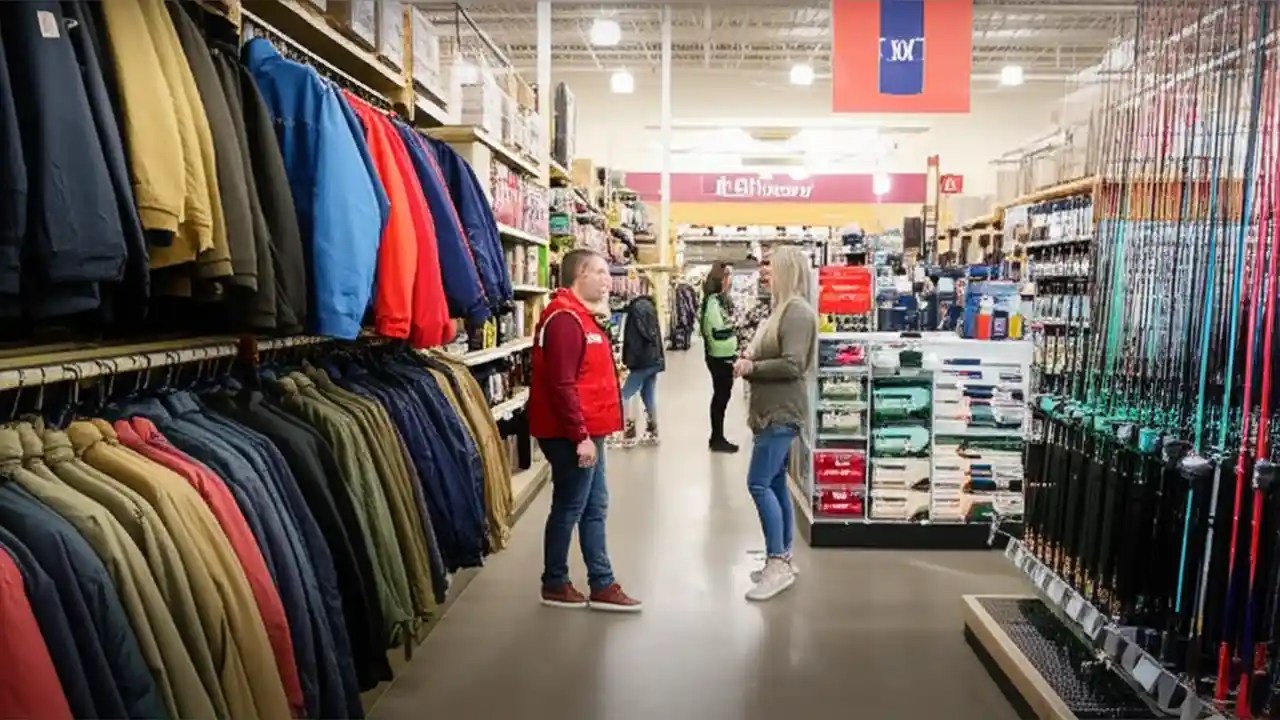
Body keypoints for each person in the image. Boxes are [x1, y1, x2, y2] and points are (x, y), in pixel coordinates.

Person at [527, 248, 642, 612]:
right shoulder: (564, 320)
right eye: (601, 272)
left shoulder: (583, 317)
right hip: (572, 434)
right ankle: (555, 582)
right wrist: (580, 437)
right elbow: (561, 385)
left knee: (594, 505)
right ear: (580, 275)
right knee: (571, 506)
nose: (609, 280)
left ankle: (601, 582)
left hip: (590, 430)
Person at [733, 247, 817, 602]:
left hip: (781, 413)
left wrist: (752, 367)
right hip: (772, 412)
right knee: (776, 482)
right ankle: (783, 557)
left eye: (770, 267)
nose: (764, 273)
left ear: (788, 271)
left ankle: (777, 563)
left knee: (758, 483)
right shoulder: (782, 310)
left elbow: (793, 364)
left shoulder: (796, 312)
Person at [701, 262, 739, 453]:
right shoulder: (713, 302)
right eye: (726, 277)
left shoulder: (716, 301)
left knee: (721, 397)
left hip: (722, 356)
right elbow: (717, 331)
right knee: (721, 398)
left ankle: (717, 437)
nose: (729, 281)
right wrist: (735, 329)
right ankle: (717, 438)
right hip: (720, 357)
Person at [620, 293, 665, 444]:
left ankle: (627, 431)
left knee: (625, 394)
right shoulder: (649, 307)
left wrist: (630, 359)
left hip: (641, 361)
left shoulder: (636, 309)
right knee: (648, 394)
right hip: (653, 359)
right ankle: (653, 431)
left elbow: (636, 337)